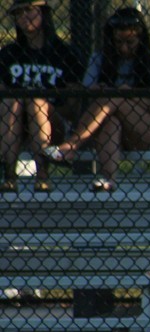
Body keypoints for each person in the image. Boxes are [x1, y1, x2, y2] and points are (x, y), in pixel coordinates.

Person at [41, 7, 150, 192]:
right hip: (109, 128)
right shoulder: (100, 58)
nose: (124, 48)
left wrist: (132, 96)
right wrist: (95, 91)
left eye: (130, 42)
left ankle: (71, 145)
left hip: (146, 129)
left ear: (141, 39)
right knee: (111, 119)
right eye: (118, 41)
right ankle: (108, 179)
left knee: (115, 97)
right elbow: (83, 98)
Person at [0, 0, 85, 193]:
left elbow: (72, 108)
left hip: (54, 123)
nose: (24, 17)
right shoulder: (8, 54)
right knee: (13, 100)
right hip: (14, 124)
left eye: (29, 10)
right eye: (18, 13)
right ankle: (9, 176)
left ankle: (42, 175)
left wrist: (44, 104)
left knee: (35, 101)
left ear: (44, 13)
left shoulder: (65, 54)